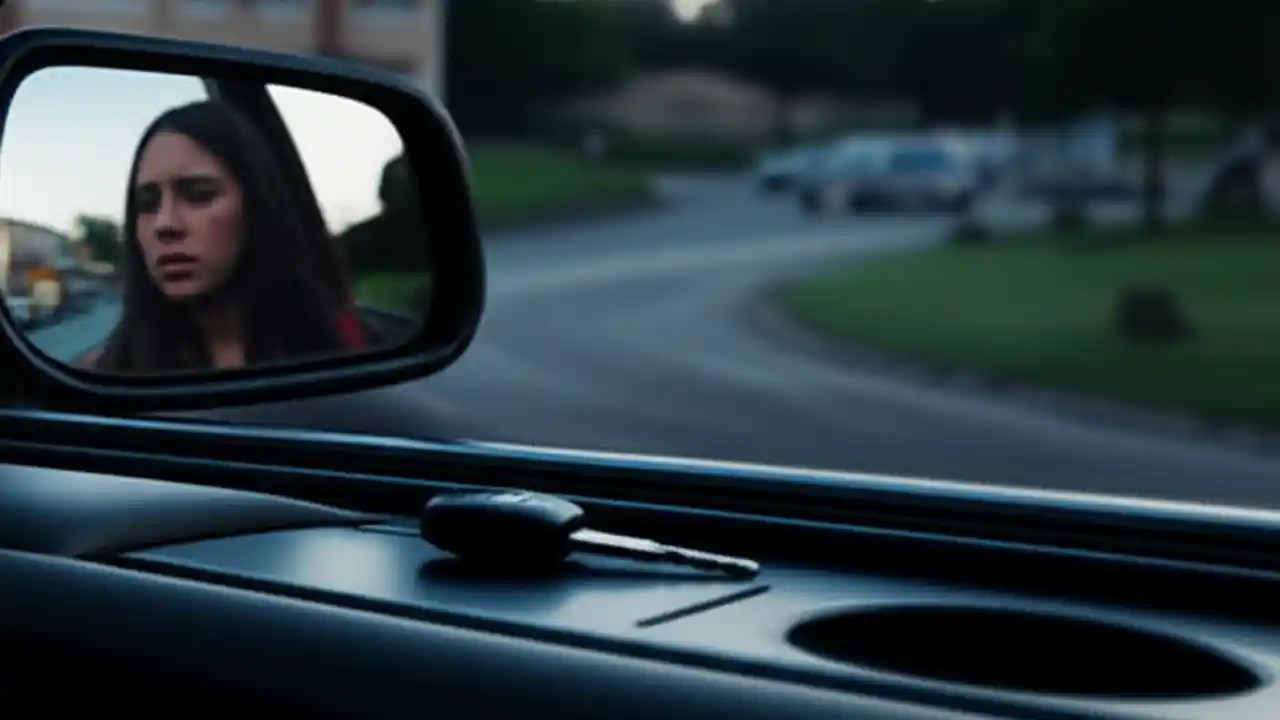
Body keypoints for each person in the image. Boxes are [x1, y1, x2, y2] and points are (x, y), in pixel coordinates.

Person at [80, 100, 370, 374]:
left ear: (256, 205)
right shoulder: (104, 375)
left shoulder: (347, 344)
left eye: (199, 194)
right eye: (146, 204)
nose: (164, 224)